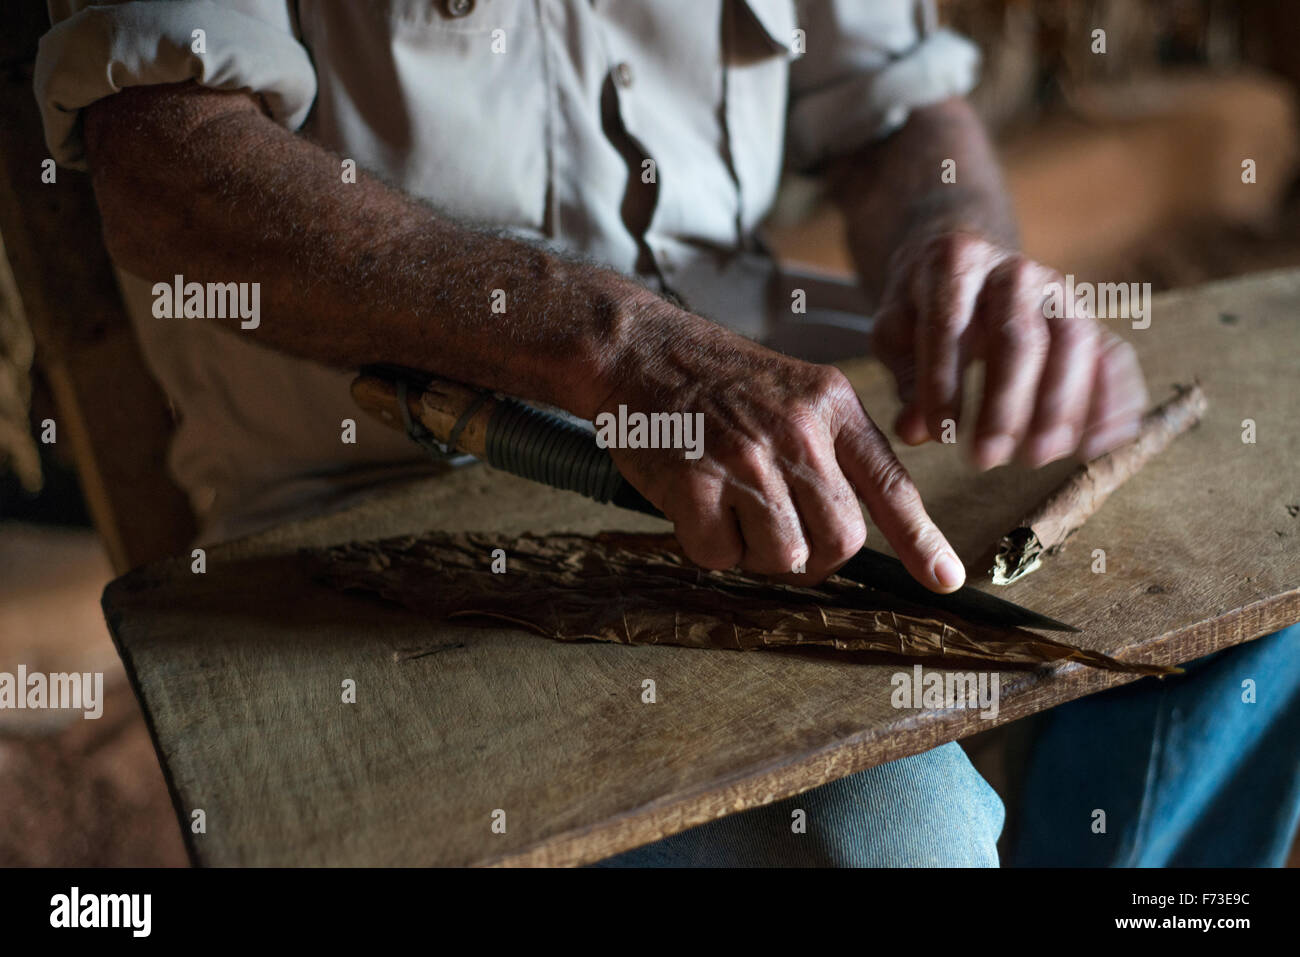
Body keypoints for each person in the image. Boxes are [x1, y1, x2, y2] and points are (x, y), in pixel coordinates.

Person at [34, 0, 1298, 866]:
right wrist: (621, 350)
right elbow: (167, 165)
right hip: (388, 490)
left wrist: (950, 250)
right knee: (882, 846)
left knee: (1254, 621)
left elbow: (899, 112)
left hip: (777, 421)